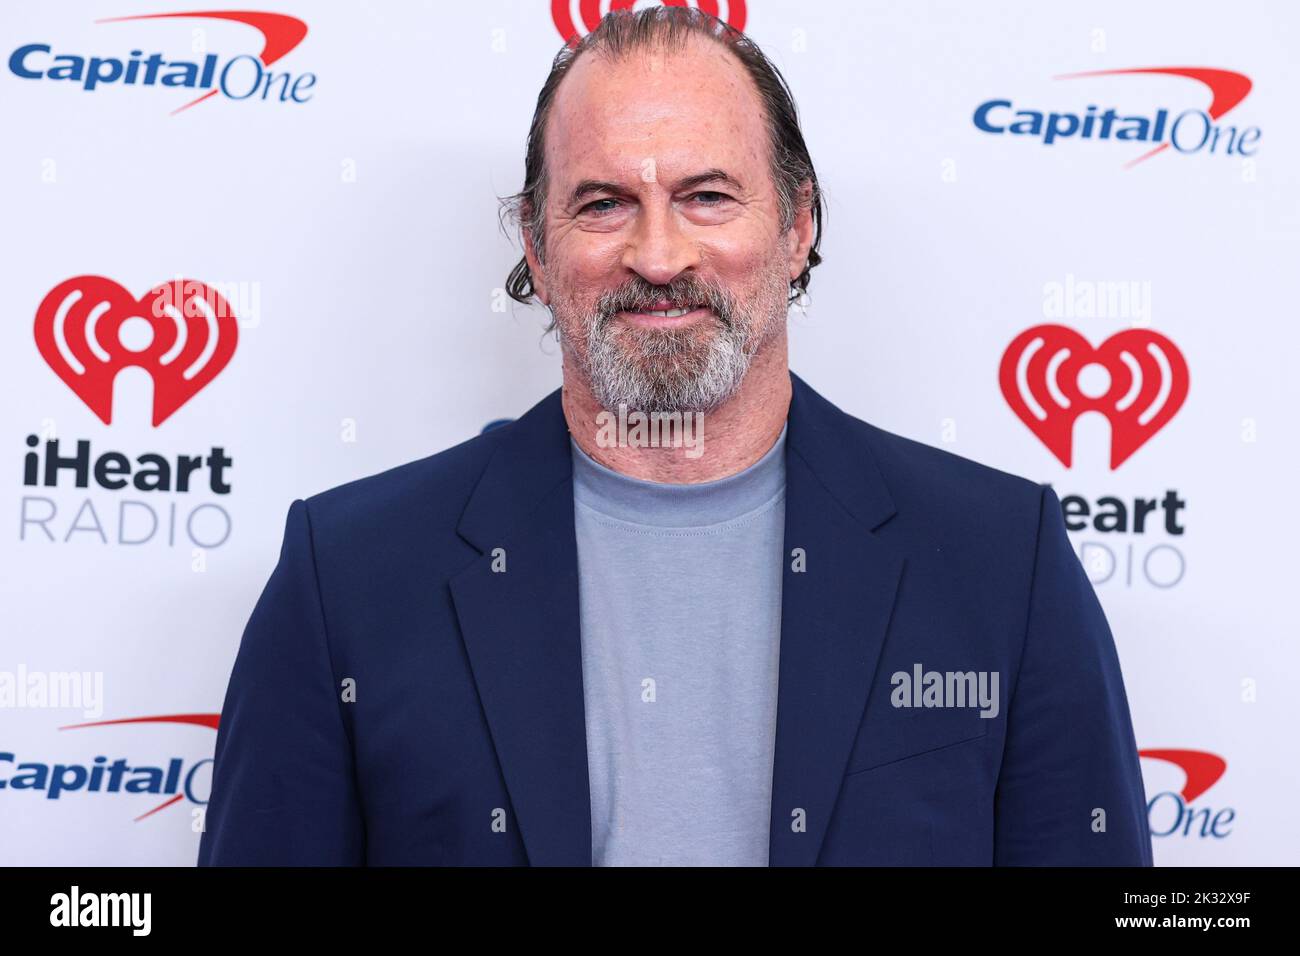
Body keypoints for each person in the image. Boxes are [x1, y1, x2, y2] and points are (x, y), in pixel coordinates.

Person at [199, 7, 1152, 866]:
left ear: (798, 223)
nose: (658, 257)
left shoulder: (998, 562)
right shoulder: (350, 575)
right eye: (603, 203)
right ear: (537, 244)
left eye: (707, 196)